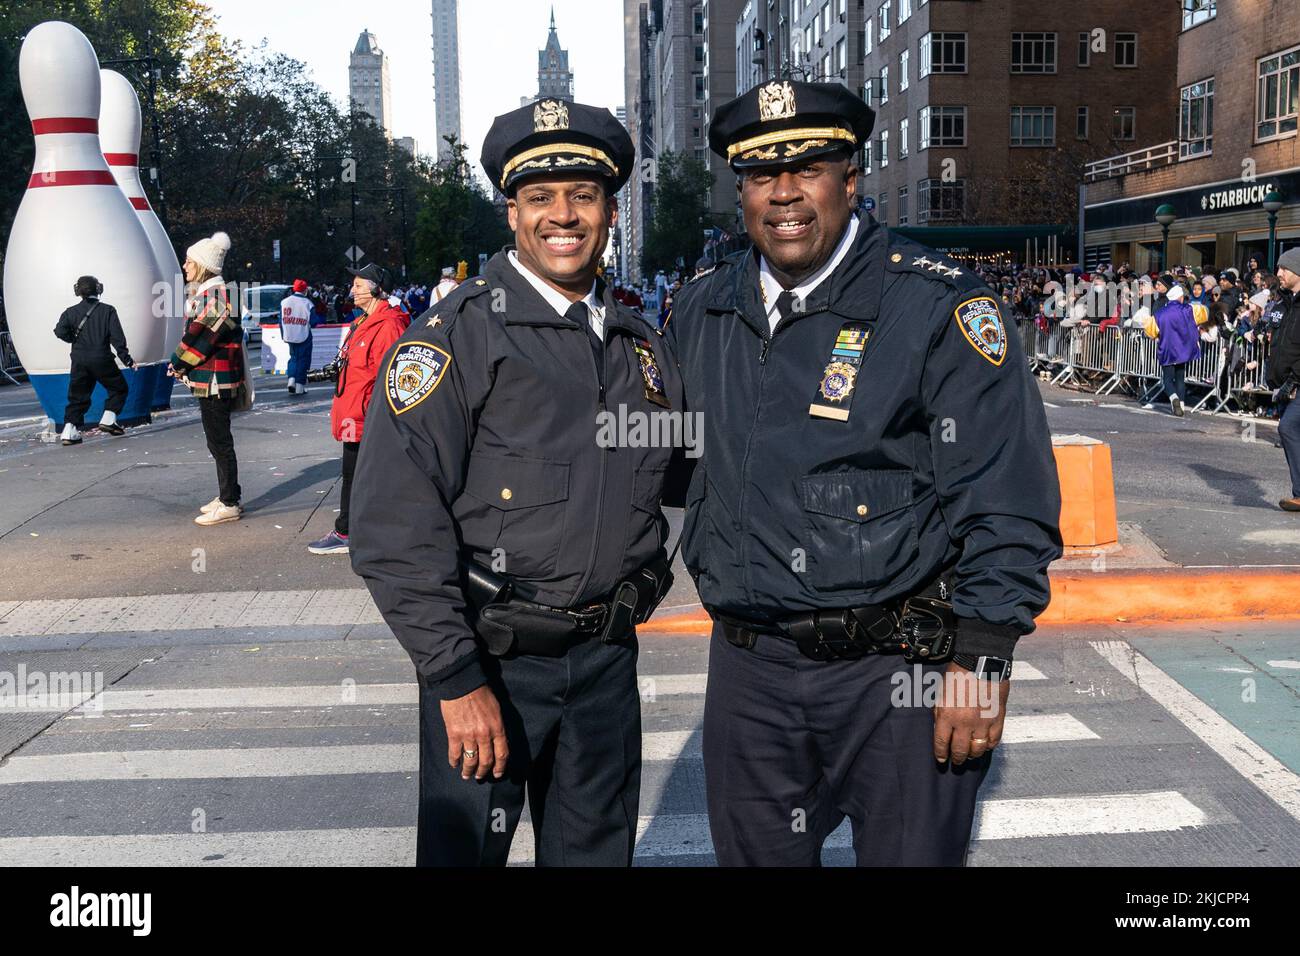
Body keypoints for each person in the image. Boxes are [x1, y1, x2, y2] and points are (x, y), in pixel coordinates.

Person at [666, 80, 1062, 867]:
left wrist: (981, 658)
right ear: (741, 189)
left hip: (899, 677)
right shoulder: (701, 311)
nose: (785, 194)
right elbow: (661, 467)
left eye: (809, 168)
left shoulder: (937, 307)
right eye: (761, 174)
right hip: (750, 672)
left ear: (851, 177)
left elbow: (1008, 497)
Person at [349, 99, 683, 867]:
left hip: (605, 662)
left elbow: (686, 475)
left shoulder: (642, 348)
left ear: (609, 208)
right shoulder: (455, 338)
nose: (562, 215)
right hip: (489, 665)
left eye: (584, 195)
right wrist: (454, 678)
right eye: (540, 197)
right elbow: (394, 526)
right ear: (512, 212)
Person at [306, 264, 408, 556]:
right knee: (357, 475)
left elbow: (391, 378)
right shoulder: (363, 320)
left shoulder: (388, 325)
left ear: (377, 289)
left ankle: (347, 531)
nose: (353, 290)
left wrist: (380, 417)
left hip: (369, 418)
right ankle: (357, 530)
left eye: (359, 286)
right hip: (355, 414)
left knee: (360, 476)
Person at [168, 231, 247, 526]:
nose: (185, 266)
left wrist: (176, 363)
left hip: (216, 379)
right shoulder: (219, 294)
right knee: (218, 441)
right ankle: (228, 495)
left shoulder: (217, 297)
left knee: (220, 442)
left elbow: (200, 337)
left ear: (202, 266)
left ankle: (229, 502)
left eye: (189, 262)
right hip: (215, 376)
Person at [53, 275, 136, 445]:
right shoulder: (108, 310)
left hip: (79, 359)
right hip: (102, 358)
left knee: (77, 396)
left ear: (78, 291)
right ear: (99, 289)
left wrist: (73, 339)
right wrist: (127, 359)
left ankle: (69, 430)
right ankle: (108, 417)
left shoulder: (70, 312)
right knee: (119, 388)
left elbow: (59, 331)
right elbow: (117, 338)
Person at [1269, 249, 1300, 511]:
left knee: (1288, 428)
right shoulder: (1287, 302)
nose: (1279, 273)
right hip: (1289, 383)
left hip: (1298, 382)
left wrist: (1293, 379)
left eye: (1284, 269)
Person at [1147, 283, 1200, 416]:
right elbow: (1203, 315)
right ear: (1180, 297)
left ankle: (1174, 398)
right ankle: (1181, 405)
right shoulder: (1188, 310)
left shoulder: (1159, 313)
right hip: (1182, 349)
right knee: (1180, 377)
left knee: (1168, 379)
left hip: (1167, 349)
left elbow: (1150, 331)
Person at [280, 279, 313, 395]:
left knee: (293, 358)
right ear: (305, 290)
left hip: (289, 334)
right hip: (303, 334)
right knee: (303, 359)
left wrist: (283, 334)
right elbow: (314, 321)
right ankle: (299, 385)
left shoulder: (284, 302)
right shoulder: (308, 303)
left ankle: (291, 379)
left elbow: (281, 321)